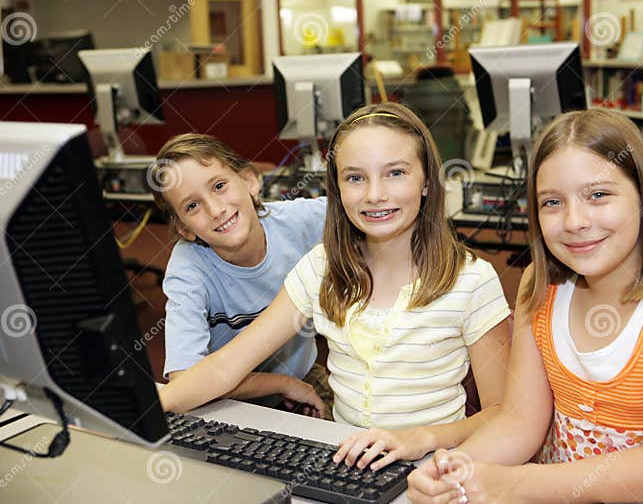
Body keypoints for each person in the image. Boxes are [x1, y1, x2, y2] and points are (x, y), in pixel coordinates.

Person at [407, 108, 643, 502]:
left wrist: (506, 484)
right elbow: (520, 420)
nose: (575, 221)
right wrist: (454, 469)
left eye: (598, 195)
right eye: (552, 202)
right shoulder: (540, 283)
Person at [158, 102, 511, 469]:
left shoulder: (472, 281)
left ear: (426, 180)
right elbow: (223, 369)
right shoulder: (320, 268)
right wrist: (137, 413)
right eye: (355, 178)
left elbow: (503, 413)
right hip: (348, 462)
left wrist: (422, 439)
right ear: (337, 188)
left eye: (395, 173)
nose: (375, 194)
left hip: (437, 466)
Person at [151, 133, 330, 417]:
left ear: (249, 181)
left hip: (304, 379)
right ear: (184, 228)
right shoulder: (188, 270)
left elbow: (361, 209)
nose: (215, 209)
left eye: (219, 186)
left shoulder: (300, 220)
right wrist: (279, 384)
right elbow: (185, 382)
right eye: (192, 206)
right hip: (222, 398)